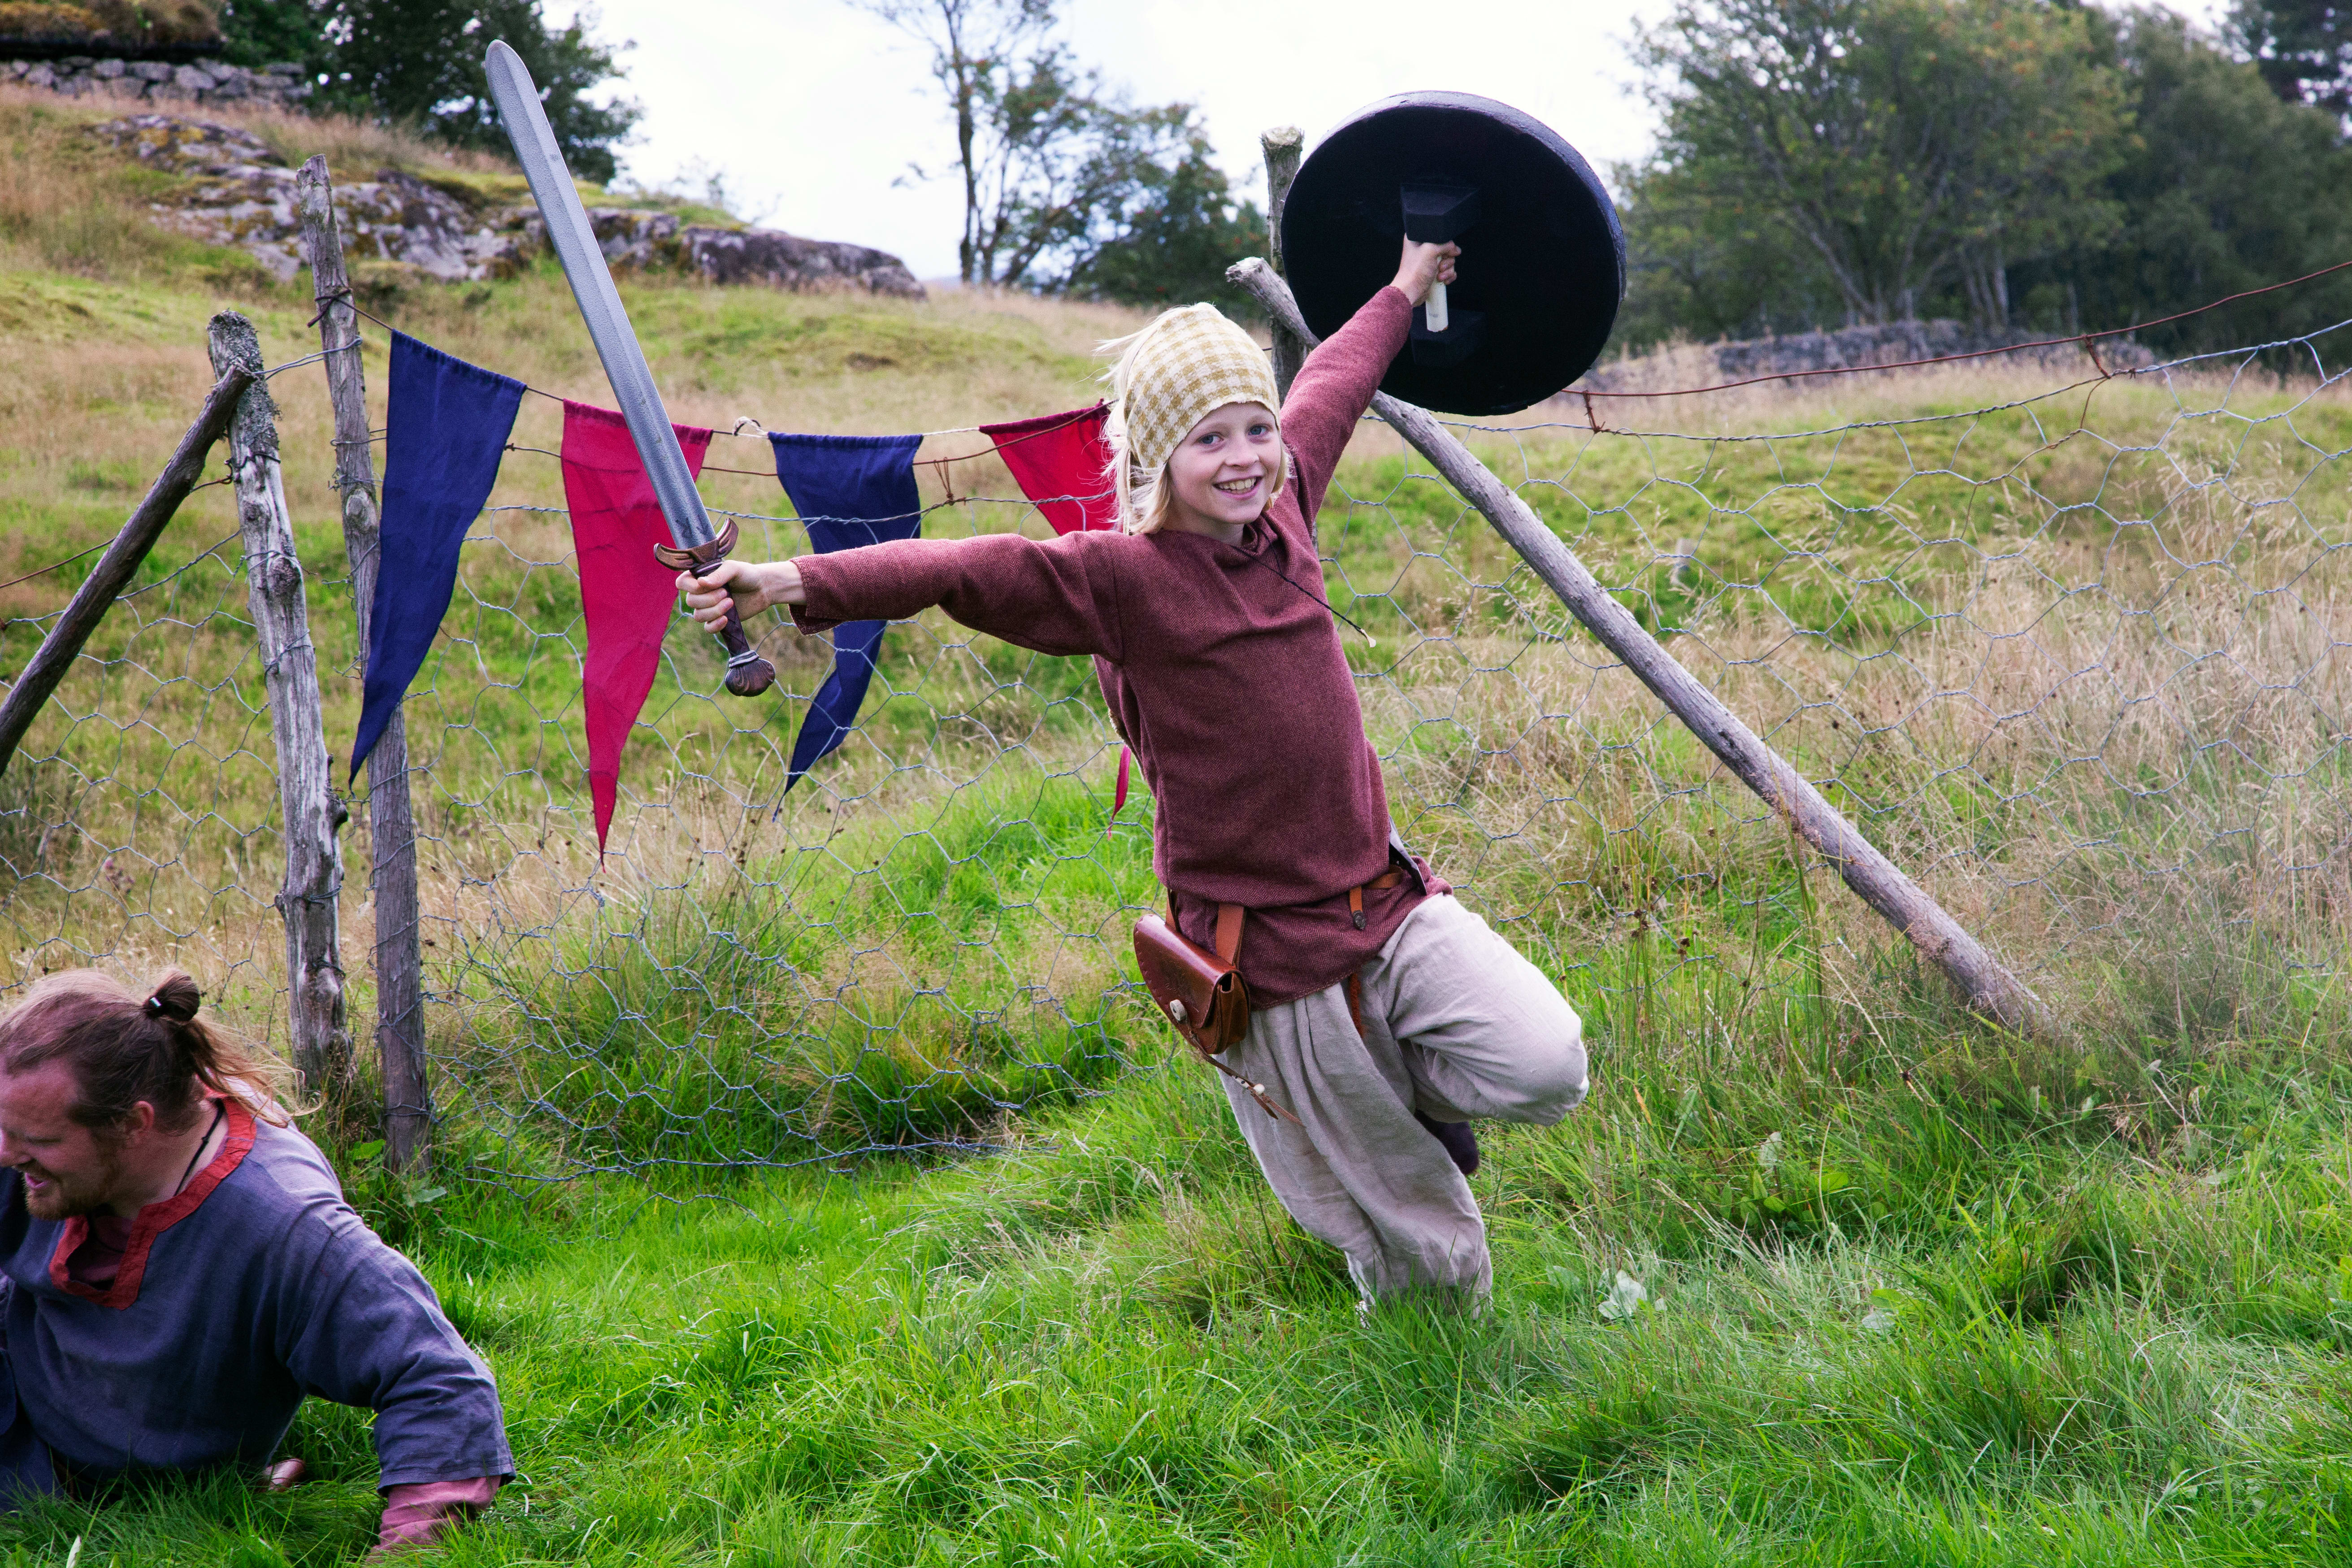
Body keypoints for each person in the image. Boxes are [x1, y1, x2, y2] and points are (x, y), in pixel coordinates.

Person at [681, 238, 1588, 1303]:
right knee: (1421, 1250)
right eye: (1212, 440)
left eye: (1256, 429)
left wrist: (1401, 285)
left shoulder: (1283, 510)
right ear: (1162, 460)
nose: (1246, 456)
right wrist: (793, 576)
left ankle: (1394, 1088)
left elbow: (1335, 378)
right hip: (1275, 956)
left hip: (1387, 906)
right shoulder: (1124, 581)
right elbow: (965, 570)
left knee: (1545, 1062)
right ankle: (1443, 1384)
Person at [0, 969, 512, 1553]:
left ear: (133, 1124)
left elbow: (439, 1381)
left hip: (114, 1485)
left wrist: (408, 1554)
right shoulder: (35, 1136)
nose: (7, 1151)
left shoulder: (285, 1225)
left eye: (35, 1140)